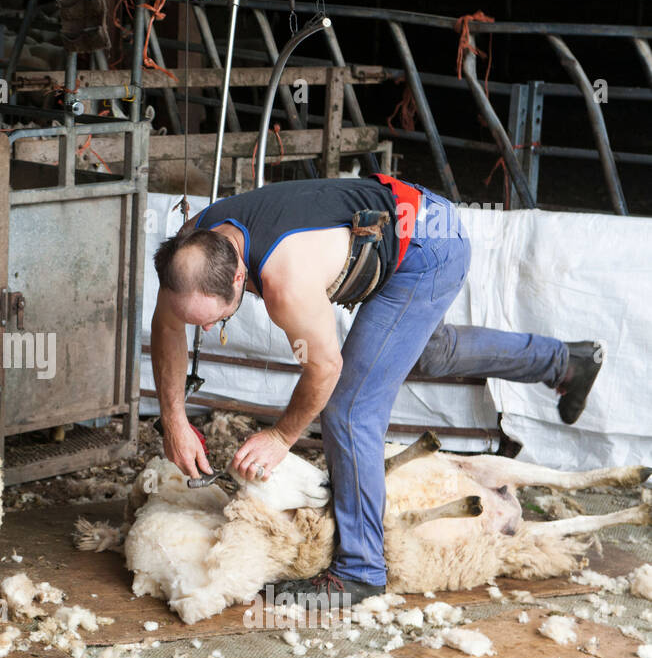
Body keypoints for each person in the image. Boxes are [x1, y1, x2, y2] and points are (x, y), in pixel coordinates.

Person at [150, 174, 605, 606]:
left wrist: (279, 437)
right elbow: (168, 326)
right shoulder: (190, 250)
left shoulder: (284, 283)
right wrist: (173, 418)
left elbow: (324, 369)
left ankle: (359, 571)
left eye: (211, 318)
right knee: (425, 352)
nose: (205, 328)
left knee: (350, 409)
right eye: (198, 321)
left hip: (429, 244)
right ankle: (567, 363)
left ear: (236, 279)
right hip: (405, 222)